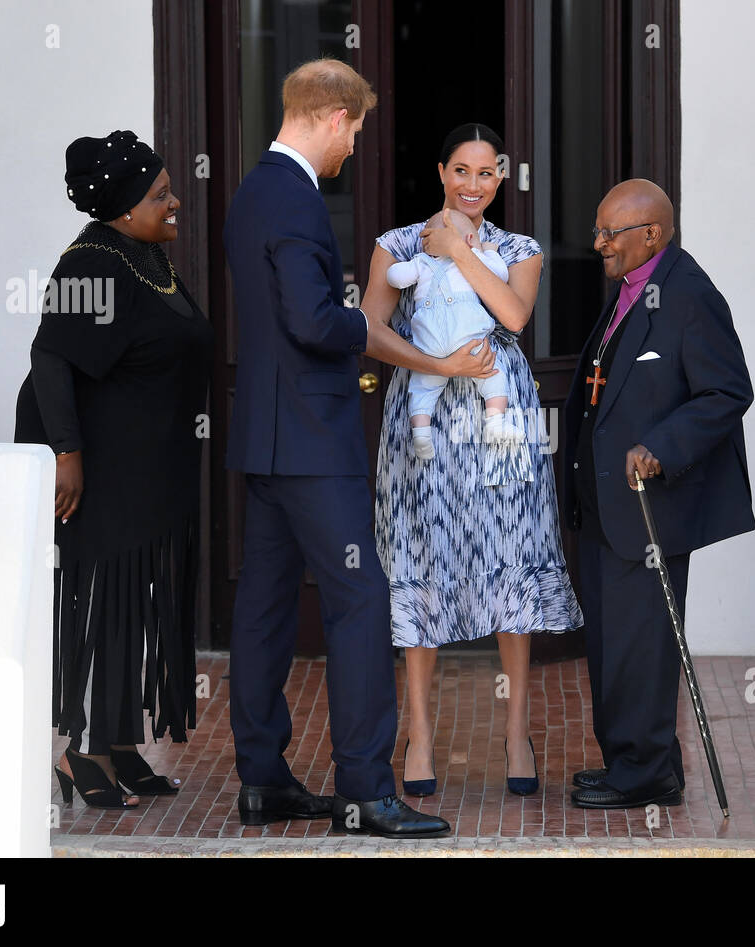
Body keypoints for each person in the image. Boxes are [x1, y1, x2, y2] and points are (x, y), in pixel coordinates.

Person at [223, 60, 494, 837]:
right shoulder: (299, 199)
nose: (354, 148)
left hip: (266, 439)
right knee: (361, 600)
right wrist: (372, 327)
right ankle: (365, 790)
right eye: (358, 130)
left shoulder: (250, 193)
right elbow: (312, 322)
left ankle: (263, 781)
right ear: (336, 116)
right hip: (313, 442)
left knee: (265, 607)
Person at [362, 123, 584, 799]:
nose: (473, 184)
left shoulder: (521, 248)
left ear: (500, 179)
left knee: (511, 555)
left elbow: (513, 315)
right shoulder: (395, 246)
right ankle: (420, 733)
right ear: (440, 171)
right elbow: (367, 331)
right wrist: (438, 362)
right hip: (424, 414)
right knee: (423, 560)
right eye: (461, 170)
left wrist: (458, 248)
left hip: (500, 420)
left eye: (486, 173)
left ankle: (517, 731)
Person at [14, 130, 212, 809]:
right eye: (160, 193)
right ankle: (81, 752)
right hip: (107, 476)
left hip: (152, 472)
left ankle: (120, 741)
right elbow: (50, 357)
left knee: (136, 607)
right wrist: (66, 454)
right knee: (106, 608)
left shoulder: (143, 255)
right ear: (124, 206)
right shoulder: (93, 261)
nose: (174, 200)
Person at [563, 179, 755, 809]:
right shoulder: (630, 290)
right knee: (611, 642)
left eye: (610, 233)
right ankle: (635, 760)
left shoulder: (692, 296)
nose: (598, 244)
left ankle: (644, 774)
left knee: (642, 644)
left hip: (652, 506)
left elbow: (726, 393)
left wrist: (663, 447)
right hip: (605, 506)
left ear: (652, 233)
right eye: (597, 230)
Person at [386, 207, 524, 457]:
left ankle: (421, 434)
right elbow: (501, 274)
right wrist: (488, 252)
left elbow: (395, 278)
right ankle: (495, 422)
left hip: (430, 340)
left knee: (423, 385)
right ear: (471, 240)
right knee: (492, 374)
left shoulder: (420, 262)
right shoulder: (475, 257)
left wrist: (399, 267)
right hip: (467, 334)